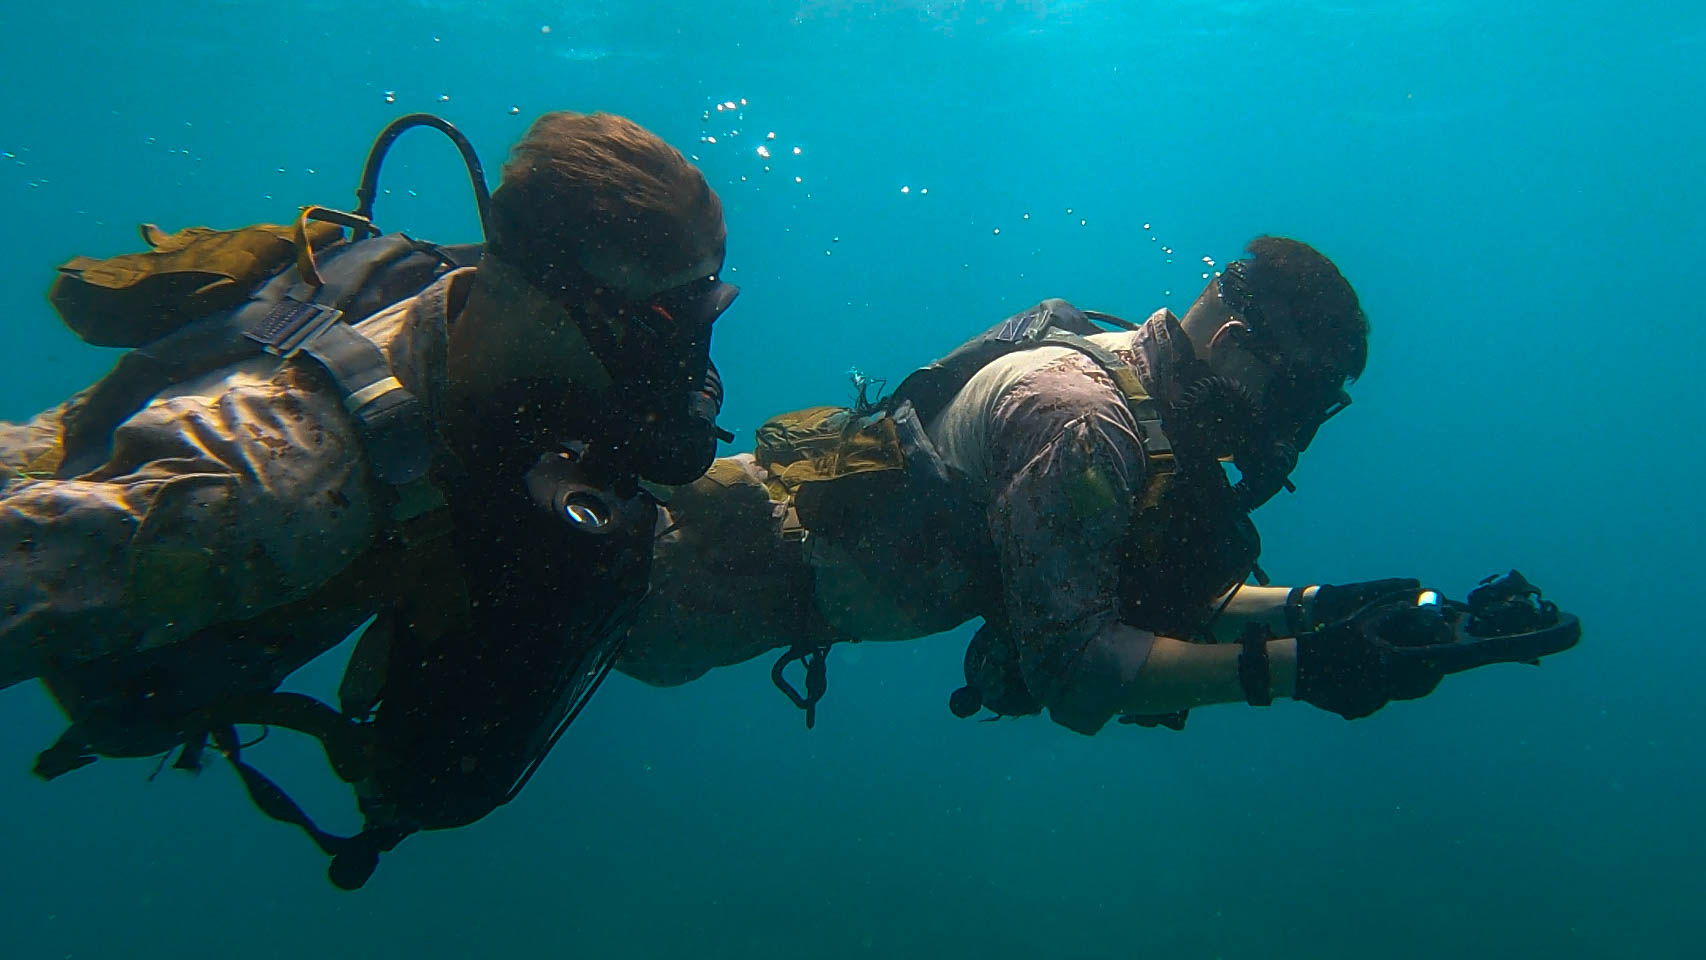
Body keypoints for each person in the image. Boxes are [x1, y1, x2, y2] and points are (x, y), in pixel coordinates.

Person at [0, 110, 739, 887]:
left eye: (696, 315)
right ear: (539, 292)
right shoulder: (278, 491)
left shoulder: (476, 303)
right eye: (656, 326)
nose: (685, 374)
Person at [616, 236, 1575, 732]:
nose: (1293, 431)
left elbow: (1129, 591)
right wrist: (1300, 668)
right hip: (683, 579)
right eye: (1297, 399)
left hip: (710, 567)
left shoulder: (1126, 373)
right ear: (1236, 352)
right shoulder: (1085, 421)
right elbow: (1074, 672)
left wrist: (1329, 609)